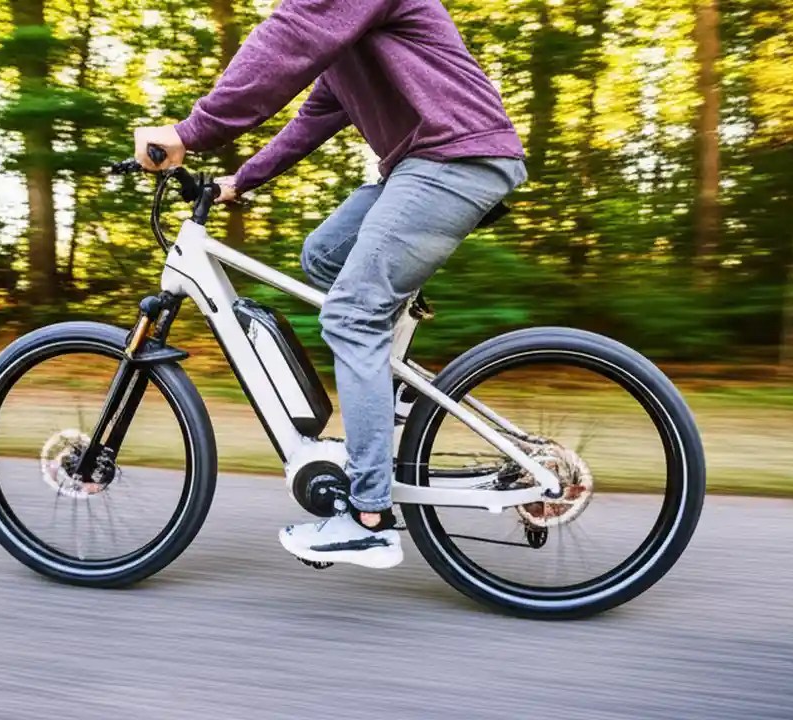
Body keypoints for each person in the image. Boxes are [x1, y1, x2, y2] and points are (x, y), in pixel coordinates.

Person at [132, 0, 526, 570]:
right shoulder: (345, 43)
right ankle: (395, 383)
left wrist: (190, 131)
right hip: (428, 163)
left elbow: (285, 41)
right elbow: (311, 119)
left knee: (349, 315)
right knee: (324, 256)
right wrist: (240, 181)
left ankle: (367, 517)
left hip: (452, 160)